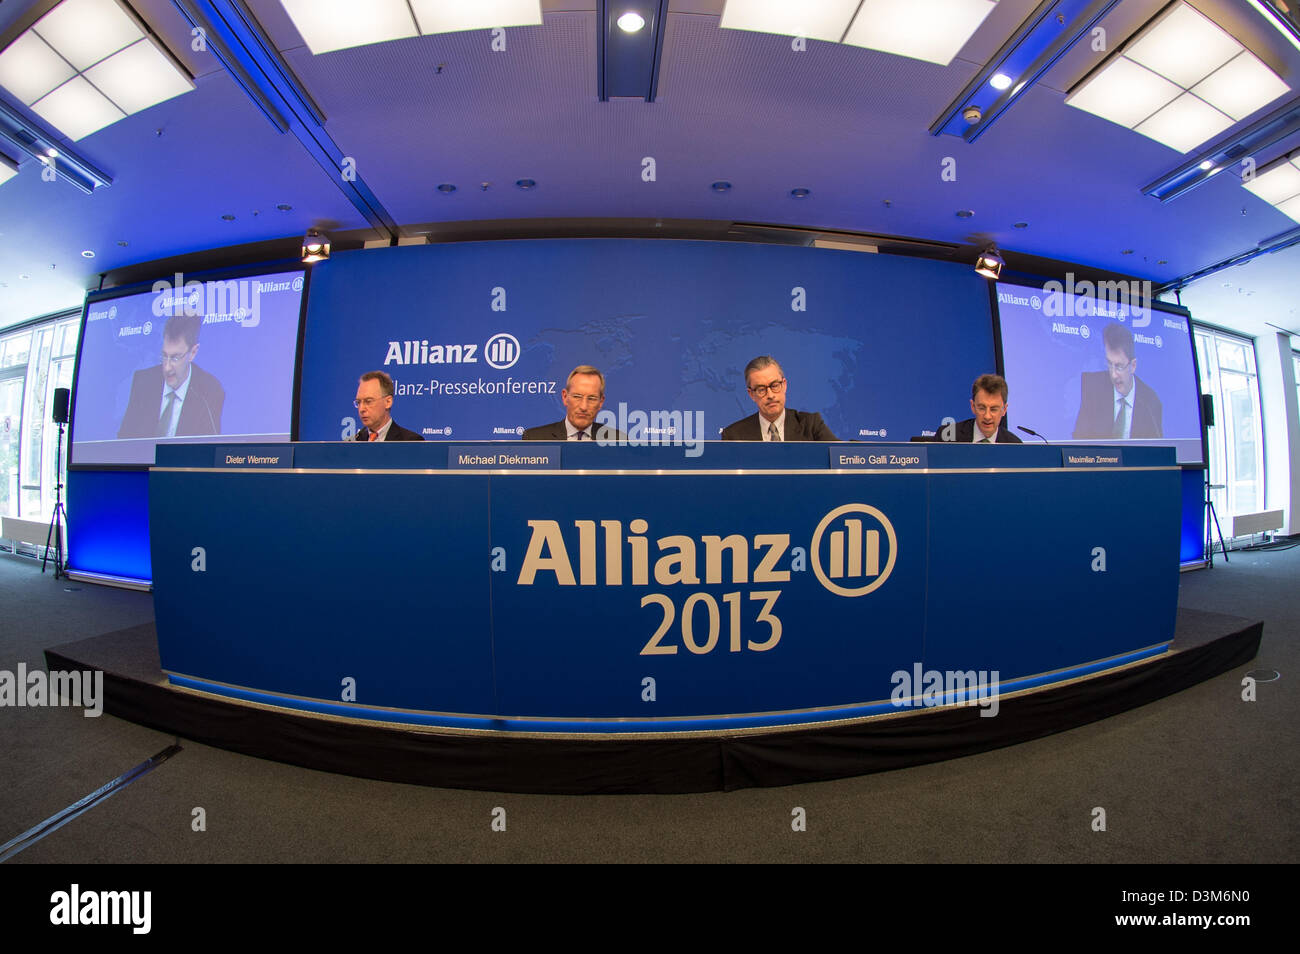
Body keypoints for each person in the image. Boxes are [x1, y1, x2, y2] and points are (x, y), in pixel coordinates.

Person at [118, 315, 225, 438]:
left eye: (175, 358)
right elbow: (124, 440)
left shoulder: (210, 392)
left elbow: (208, 450)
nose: (167, 367)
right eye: (164, 356)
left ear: (193, 353)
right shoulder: (143, 382)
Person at [1073, 322, 1163, 439]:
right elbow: (1079, 440)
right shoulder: (1092, 387)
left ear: (1133, 365)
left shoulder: (1151, 403)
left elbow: (1157, 451)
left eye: (1119, 366)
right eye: (1110, 364)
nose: (1113, 375)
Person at [720, 355, 837, 441]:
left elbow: (842, 458)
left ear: (784, 385)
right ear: (751, 394)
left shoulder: (811, 425)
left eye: (775, 386)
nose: (770, 395)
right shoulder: (734, 436)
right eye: (761, 389)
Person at [522, 365, 627, 441]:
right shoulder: (535, 439)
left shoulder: (618, 440)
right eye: (577, 397)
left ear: (601, 402)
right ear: (564, 397)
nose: (583, 407)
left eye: (591, 398)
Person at [938, 373, 1022, 443]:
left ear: (1004, 410)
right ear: (973, 406)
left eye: (993, 409)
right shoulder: (947, 436)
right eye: (982, 408)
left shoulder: (1015, 445)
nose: (987, 416)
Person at [352, 370, 423, 441]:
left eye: (368, 401)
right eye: (358, 402)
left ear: (388, 402)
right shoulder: (353, 442)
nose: (361, 409)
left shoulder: (410, 441)